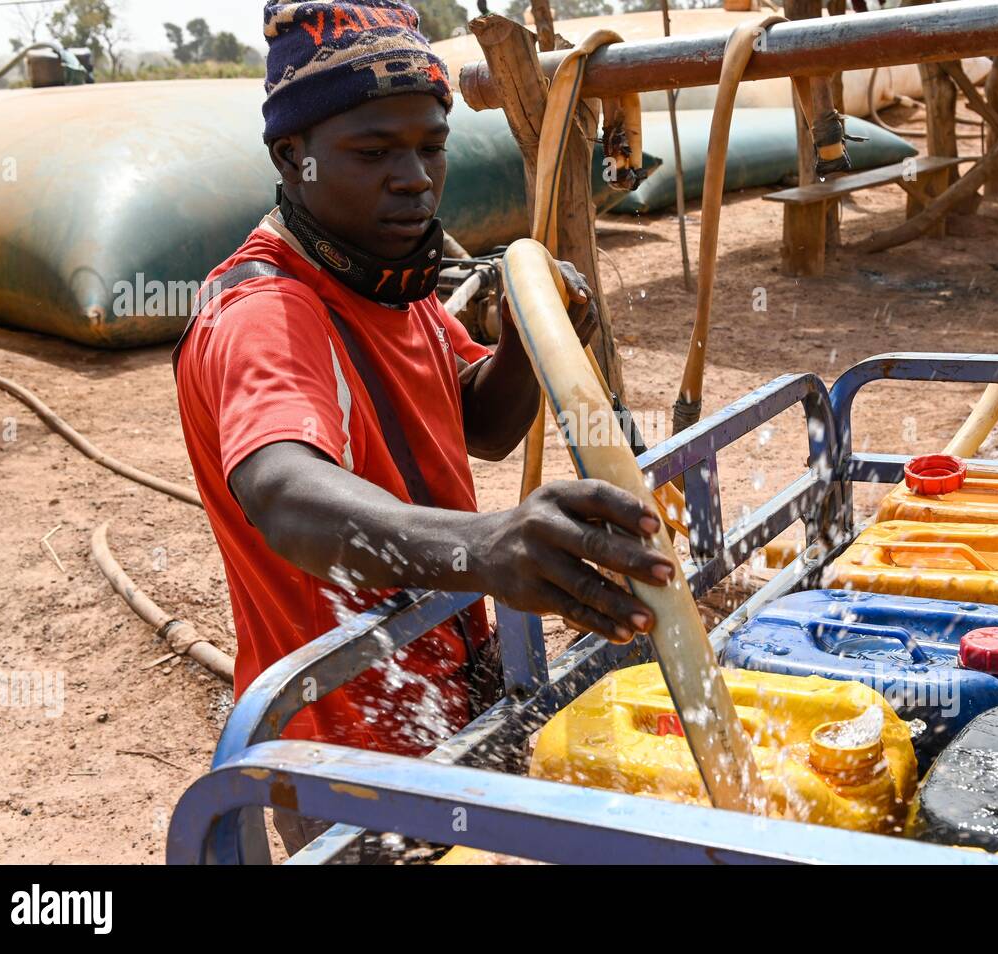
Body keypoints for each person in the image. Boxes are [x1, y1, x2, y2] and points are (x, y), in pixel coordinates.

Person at [173, 0, 672, 856]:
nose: (414, 178)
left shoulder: (386, 276)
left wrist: (521, 347)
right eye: (373, 153)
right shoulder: (269, 311)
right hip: (351, 746)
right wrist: (484, 547)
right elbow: (286, 496)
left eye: (430, 146)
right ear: (294, 157)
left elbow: (478, 422)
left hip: (451, 693)